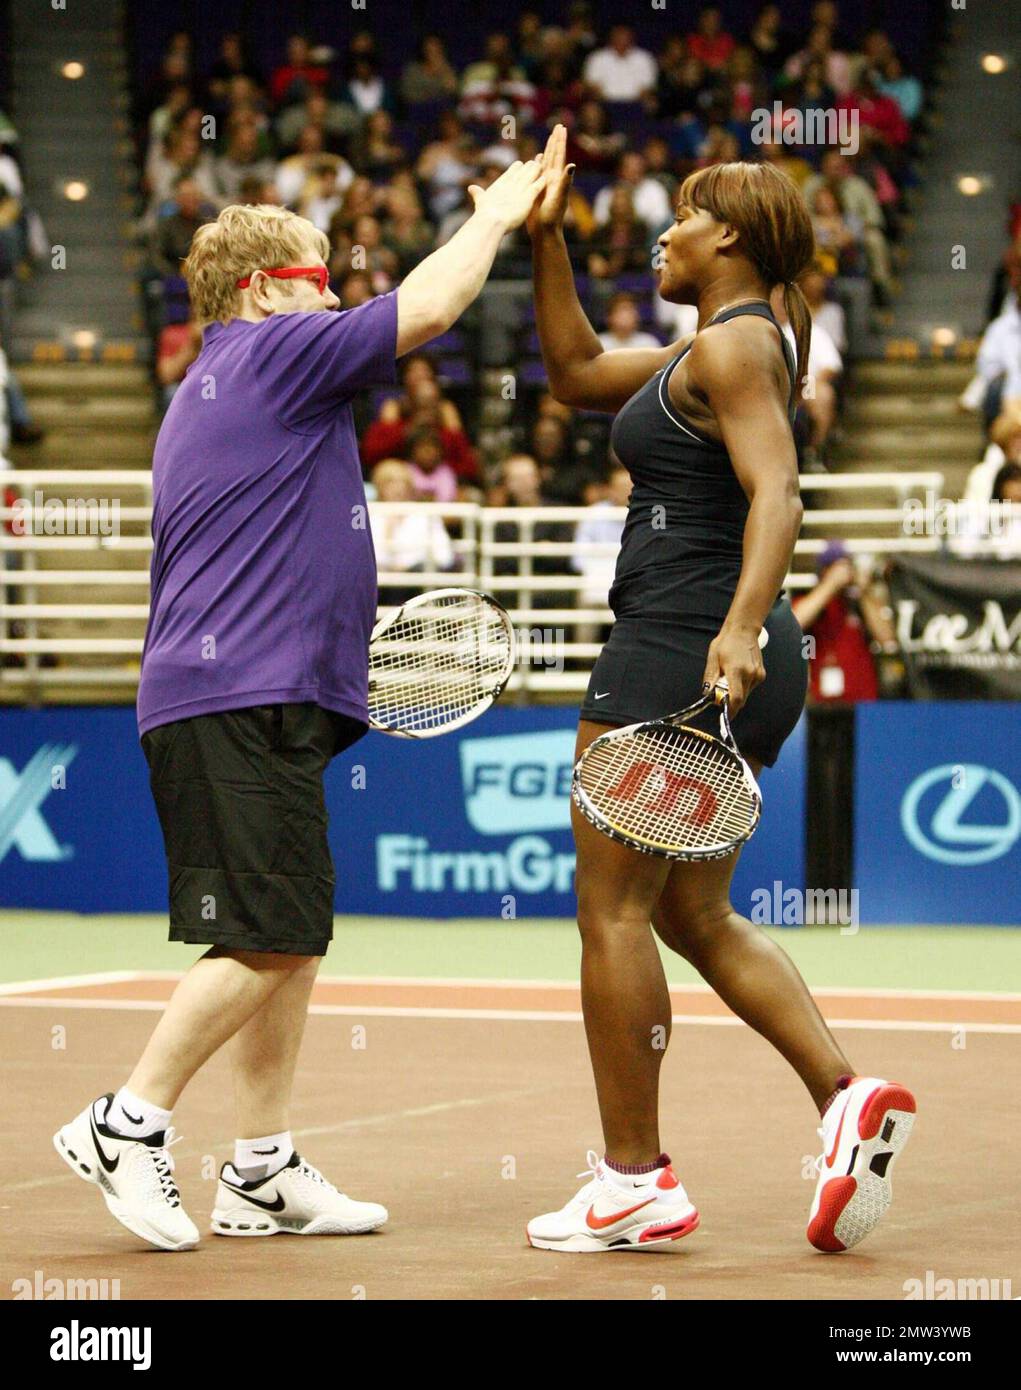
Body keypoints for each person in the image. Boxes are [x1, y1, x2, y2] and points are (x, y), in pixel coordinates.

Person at [54, 161, 547, 1251]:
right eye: (318, 279)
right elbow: (429, 307)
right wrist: (494, 215)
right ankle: (125, 1124)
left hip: (255, 691)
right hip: (235, 698)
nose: (334, 299)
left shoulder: (241, 383)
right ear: (262, 291)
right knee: (271, 933)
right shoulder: (268, 353)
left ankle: (260, 1170)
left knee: (291, 935)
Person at [524, 126, 915, 1254]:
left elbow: (779, 493)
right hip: (719, 646)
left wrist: (736, 626)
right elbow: (569, 371)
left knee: (613, 910)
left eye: (685, 214)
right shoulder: (721, 343)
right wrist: (545, 239)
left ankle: (631, 1179)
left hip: (683, 643)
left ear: (730, 234)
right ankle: (844, 1098)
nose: (663, 229)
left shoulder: (739, 350)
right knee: (692, 912)